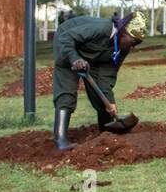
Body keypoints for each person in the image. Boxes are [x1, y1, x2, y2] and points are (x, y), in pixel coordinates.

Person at [51, 12, 147, 151]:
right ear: (124, 32)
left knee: (102, 94)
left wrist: (110, 101)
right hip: (67, 42)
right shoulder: (102, 29)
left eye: (137, 44)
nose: (133, 47)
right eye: (133, 42)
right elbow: (66, 38)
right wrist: (75, 58)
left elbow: (108, 74)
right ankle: (60, 139)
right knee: (67, 89)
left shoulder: (122, 48)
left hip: (94, 55)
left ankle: (106, 131)